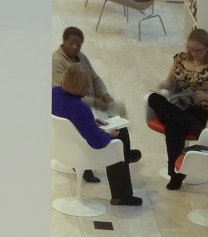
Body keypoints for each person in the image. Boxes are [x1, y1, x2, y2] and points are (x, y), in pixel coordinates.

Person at [51, 23, 142, 206]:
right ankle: (121, 194)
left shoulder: (54, 93)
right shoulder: (81, 108)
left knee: (113, 130)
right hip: (83, 150)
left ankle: (124, 156)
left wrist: (93, 120)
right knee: (120, 135)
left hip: (64, 144)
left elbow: (74, 119)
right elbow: (97, 142)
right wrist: (109, 134)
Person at [146, 24, 208, 188]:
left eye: (198, 50)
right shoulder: (179, 59)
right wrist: (163, 84)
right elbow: (169, 82)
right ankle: (189, 126)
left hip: (200, 111)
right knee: (153, 98)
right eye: (191, 49)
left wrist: (205, 96)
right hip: (179, 106)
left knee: (174, 125)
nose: (193, 53)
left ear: (207, 48)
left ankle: (174, 173)